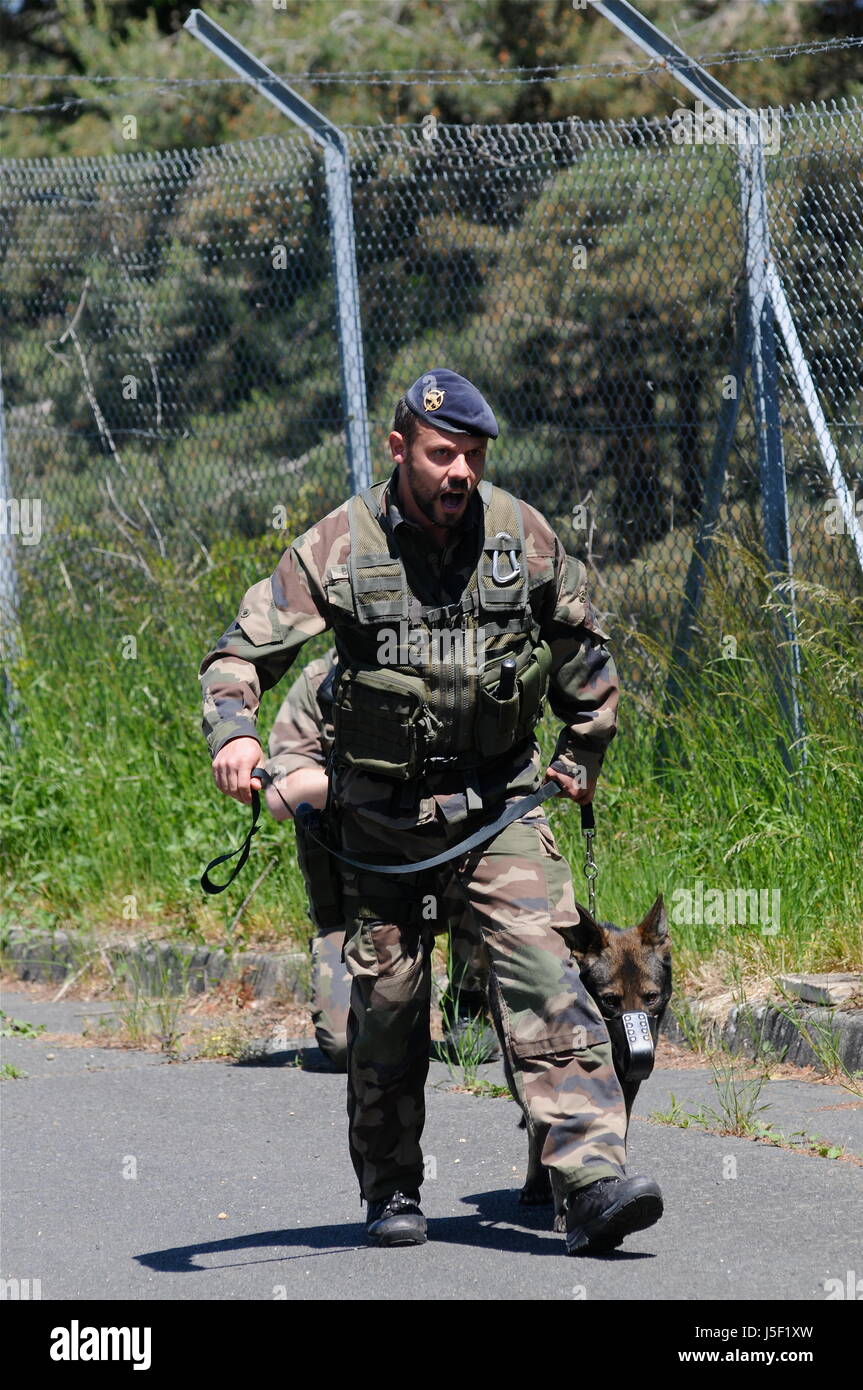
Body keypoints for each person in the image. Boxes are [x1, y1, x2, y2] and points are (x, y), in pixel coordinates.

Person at [200, 367, 663, 1255]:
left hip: (496, 805)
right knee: (390, 1007)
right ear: (401, 445)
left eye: (474, 458)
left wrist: (578, 759)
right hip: (378, 818)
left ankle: (591, 1178)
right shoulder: (339, 546)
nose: (459, 473)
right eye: (443, 453)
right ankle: (391, 1188)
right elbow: (239, 652)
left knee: (545, 968)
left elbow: (584, 657)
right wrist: (235, 735)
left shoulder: (519, 535)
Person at [262, 649, 499, 1071]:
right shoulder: (322, 681)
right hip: (360, 890)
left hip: (446, 876)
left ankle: (468, 1001)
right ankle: (398, 1005)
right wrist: (379, 782)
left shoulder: (446, 666)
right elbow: (282, 796)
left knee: (491, 856)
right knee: (347, 1048)